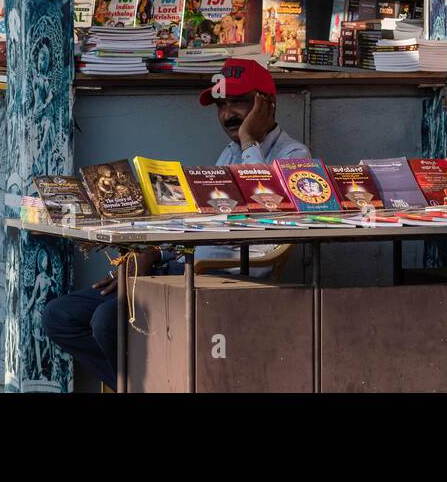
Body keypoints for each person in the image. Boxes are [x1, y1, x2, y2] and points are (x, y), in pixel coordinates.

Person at [42, 59, 310, 390]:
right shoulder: (229, 154)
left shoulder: (295, 158)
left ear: (266, 104)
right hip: (181, 270)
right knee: (60, 316)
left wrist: (249, 142)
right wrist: (154, 254)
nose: (228, 114)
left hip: (219, 279)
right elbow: (203, 226)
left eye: (239, 102)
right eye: (221, 105)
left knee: (107, 321)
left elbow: (257, 220)